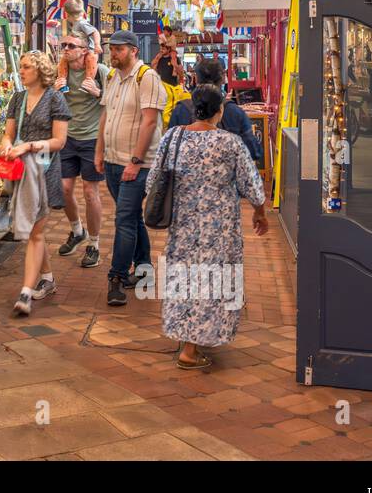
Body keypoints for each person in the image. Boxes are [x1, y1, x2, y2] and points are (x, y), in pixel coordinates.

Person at [147, 85, 268, 368]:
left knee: (186, 279)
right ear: (219, 111)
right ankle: (191, 349)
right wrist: (260, 213)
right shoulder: (230, 143)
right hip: (220, 229)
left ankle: (187, 336)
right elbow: (252, 184)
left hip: (183, 225)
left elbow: (153, 179)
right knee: (213, 282)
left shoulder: (172, 136)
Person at [94, 29, 168, 307]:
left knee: (123, 219)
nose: (113, 53)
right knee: (132, 216)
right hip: (113, 160)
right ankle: (145, 269)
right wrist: (99, 151)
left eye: (119, 49)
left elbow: (149, 122)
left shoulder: (146, 77)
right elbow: (105, 115)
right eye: (111, 49)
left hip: (138, 163)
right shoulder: (112, 77)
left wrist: (135, 162)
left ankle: (116, 278)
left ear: (134, 51)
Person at [0, 51, 70, 316]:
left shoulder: (55, 99)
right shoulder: (18, 98)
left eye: (27, 66)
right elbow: (8, 134)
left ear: (40, 70)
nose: (22, 70)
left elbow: (59, 141)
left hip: (45, 169)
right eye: (21, 66)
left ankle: (25, 294)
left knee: (36, 231)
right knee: (33, 231)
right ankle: (47, 278)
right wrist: (7, 146)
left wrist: (29, 146)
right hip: (21, 170)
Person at [53, 34, 109, 267]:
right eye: (63, 45)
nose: (65, 49)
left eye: (71, 46)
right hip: (68, 136)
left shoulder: (100, 71)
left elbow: (114, 100)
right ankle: (77, 231)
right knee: (64, 188)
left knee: (89, 192)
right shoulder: (61, 73)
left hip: (92, 138)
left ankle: (94, 244)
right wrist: (54, 92)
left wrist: (97, 93)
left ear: (85, 50)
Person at [169, 57, 263, 167]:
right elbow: (254, 152)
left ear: (196, 79)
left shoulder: (181, 110)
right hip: (225, 180)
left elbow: (169, 152)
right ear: (223, 78)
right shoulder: (235, 113)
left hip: (185, 180)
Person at [54, 0, 102, 95]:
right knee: (63, 61)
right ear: (83, 12)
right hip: (83, 50)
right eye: (65, 45)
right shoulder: (72, 24)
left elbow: (95, 32)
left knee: (90, 61)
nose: (66, 48)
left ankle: (88, 82)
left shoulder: (82, 23)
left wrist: (97, 45)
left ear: (67, 14)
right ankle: (62, 81)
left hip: (89, 50)